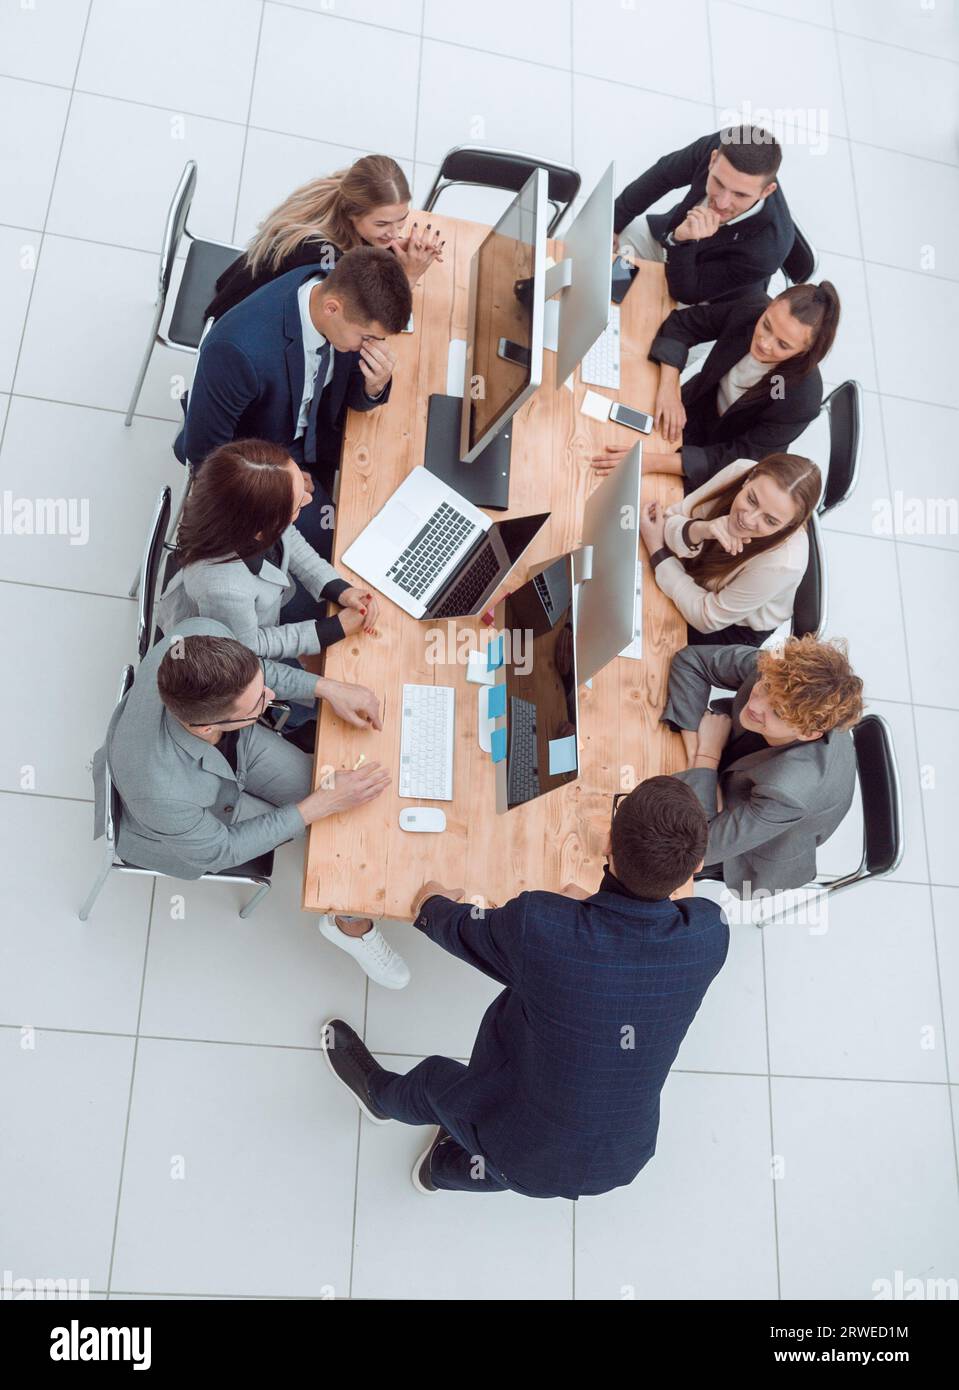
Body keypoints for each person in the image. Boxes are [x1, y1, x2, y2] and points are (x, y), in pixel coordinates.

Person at [321, 776, 729, 1199]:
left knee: (434, 1084)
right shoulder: (708, 935)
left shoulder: (541, 926)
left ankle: (379, 1101)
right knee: (511, 1162)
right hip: (622, 1154)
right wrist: (586, 913)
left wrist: (431, 903)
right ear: (697, 867)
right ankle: (442, 1172)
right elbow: (626, 956)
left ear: (607, 843)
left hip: (527, 1148)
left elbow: (463, 929)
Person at [92, 617, 409, 988]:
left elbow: (258, 676)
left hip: (239, 748)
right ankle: (349, 924)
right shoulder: (161, 790)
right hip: (199, 820)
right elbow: (219, 851)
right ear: (208, 726)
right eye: (259, 703)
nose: (271, 697)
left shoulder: (194, 638)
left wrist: (328, 688)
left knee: (345, 805)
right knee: (329, 826)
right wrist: (319, 805)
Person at [174, 246, 412, 557]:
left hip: (316, 441)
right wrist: (281, 480)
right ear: (331, 308)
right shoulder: (237, 351)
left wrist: (374, 386)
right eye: (366, 337)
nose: (368, 347)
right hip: (257, 464)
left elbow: (351, 391)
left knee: (392, 498)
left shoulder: (339, 298)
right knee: (340, 550)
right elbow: (205, 456)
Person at [661, 635, 864, 897]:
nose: (754, 705)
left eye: (778, 712)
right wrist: (696, 750)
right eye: (765, 686)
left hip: (753, 848)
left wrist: (708, 755)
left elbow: (697, 847)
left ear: (808, 733)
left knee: (660, 845)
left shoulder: (790, 791)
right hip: (734, 774)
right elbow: (692, 660)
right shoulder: (778, 670)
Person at [591, 282, 840, 492]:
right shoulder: (750, 308)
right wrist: (668, 388)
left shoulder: (799, 398)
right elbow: (683, 325)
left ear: (804, 352)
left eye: (783, 345)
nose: (764, 343)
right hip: (688, 407)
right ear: (769, 307)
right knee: (598, 433)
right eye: (766, 325)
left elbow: (740, 458)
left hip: (712, 461)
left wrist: (651, 462)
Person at [157, 438, 380, 665]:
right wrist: (332, 629)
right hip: (231, 656)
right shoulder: (224, 589)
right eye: (298, 505)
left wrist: (339, 589)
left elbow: (288, 536)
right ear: (261, 530)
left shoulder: (240, 513)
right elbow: (250, 646)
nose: (310, 498)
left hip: (264, 607)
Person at [205, 154, 443, 322]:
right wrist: (408, 276)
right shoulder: (320, 255)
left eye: (401, 219)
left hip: (238, 281)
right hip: (236, 321)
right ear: (352, 214)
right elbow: (360, 319)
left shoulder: (338, 190)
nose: (394, 233)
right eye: (381, 224)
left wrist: (388, 250)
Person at [639, 453, 821, 647]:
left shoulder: (782, 564)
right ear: (748, 480)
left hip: (728, 628)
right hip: (695, 577)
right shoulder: (741, 469)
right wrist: (701, 529)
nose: (748, 520)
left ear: (789, 526)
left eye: (770, 520)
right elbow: (672, 517)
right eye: (751, 500)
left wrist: (658, 552)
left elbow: (707, 618)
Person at [614, 125, 793, 306]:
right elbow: (664, 175)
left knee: (651, 319)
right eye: (718, 182)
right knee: (623, 247)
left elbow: (685, 292)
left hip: (706, 289)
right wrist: (615, 225)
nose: (722, 204)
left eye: (740, 195)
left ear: (767, 191)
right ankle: (611, 305)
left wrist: (682, 241)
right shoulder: (722, 147)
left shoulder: (767, 251)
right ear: (713, 160)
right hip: (670, 238)